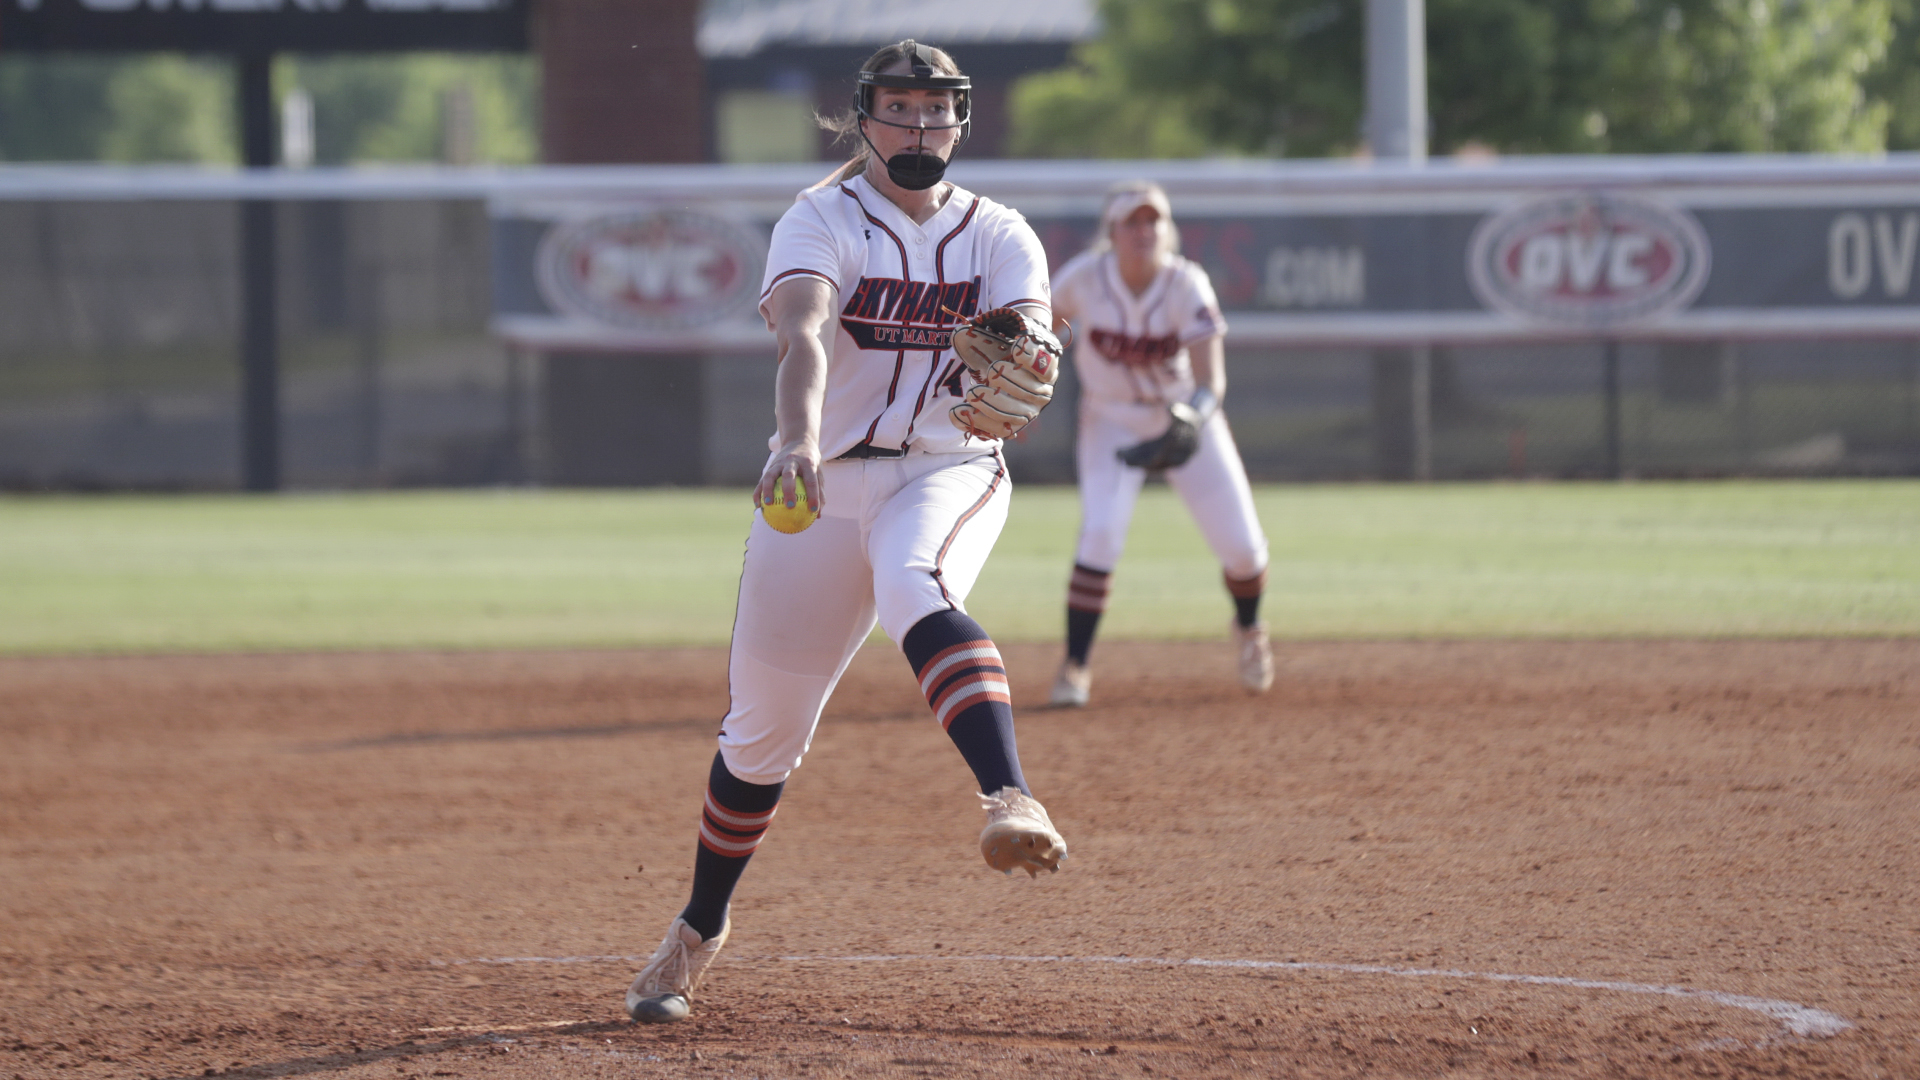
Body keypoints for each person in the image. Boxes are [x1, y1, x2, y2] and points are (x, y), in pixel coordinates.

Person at [622, 40, 1069, 1025]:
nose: (919, 126)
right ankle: (698, 930)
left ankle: (1011, 798)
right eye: (899, 107)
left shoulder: (1000, 234)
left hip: (948, 466)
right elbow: (805, 334)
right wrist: (794, 439)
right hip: (819, 481)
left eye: (936, 109)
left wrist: (1029, 351)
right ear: (864, 117)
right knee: (761, 734)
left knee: (916, 582)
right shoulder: (821, 218)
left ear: (960, 120)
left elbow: (1031, 336)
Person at [1047, 181, 1273, 708]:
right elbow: (1040, 328)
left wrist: (1192, 419)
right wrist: (1033, 365)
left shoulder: (1185, 283)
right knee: (1100, 535)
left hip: (1185, 418)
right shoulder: (1085, 278)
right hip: (1110, 419)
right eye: (1133, 221)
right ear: (1113, 232)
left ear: (1168, 230)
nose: (1145, 231)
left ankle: (1249, 629)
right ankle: (1075, 663)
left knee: (1243, 549)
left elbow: (1211, 381)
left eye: (1155, 220)